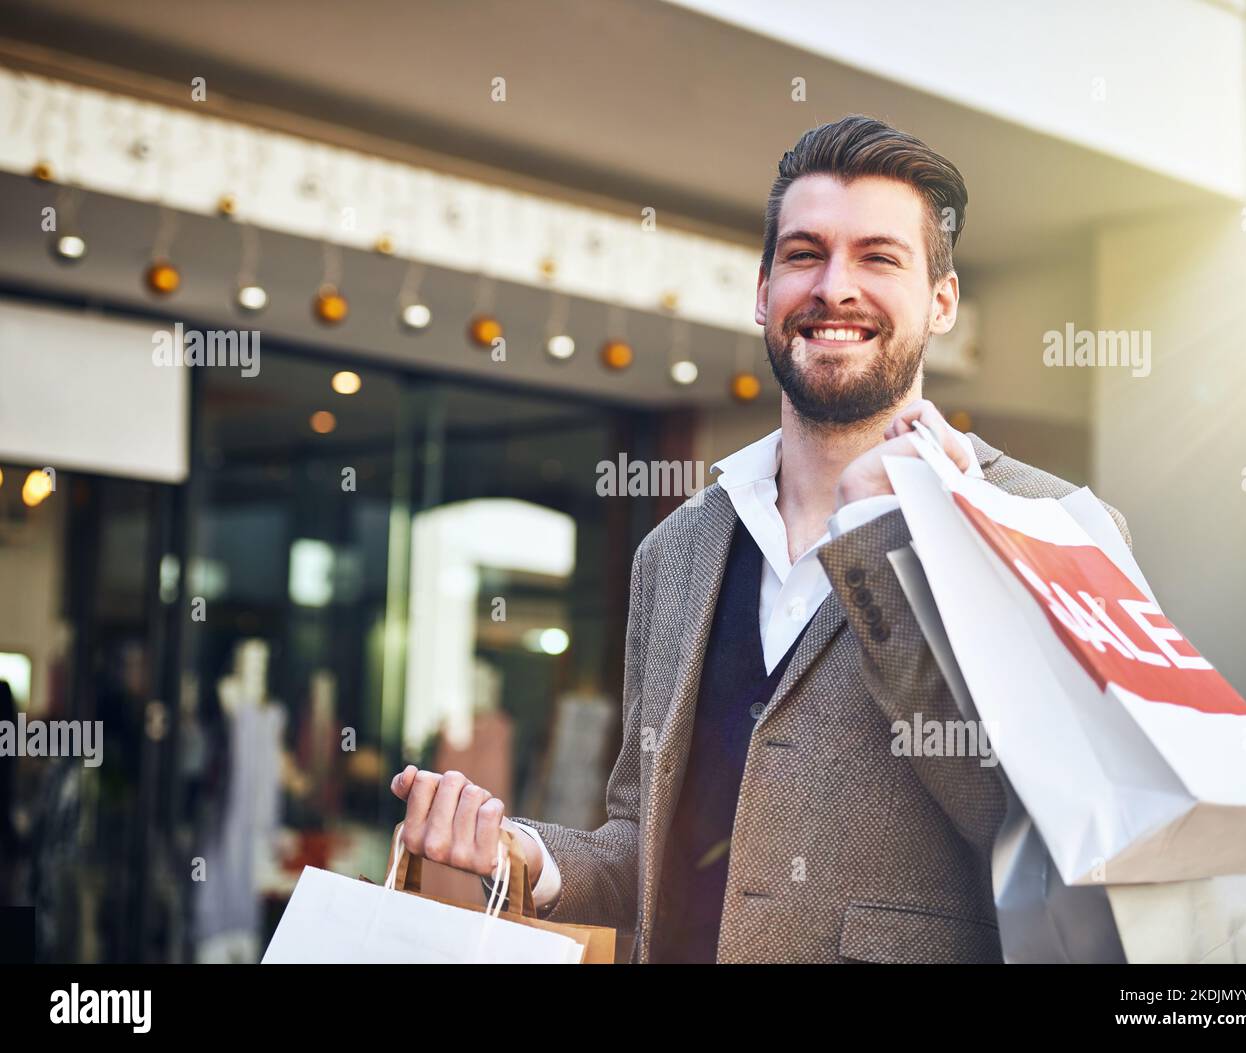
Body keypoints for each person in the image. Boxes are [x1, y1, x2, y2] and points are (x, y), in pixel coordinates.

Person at [390, 115, 1130, 963]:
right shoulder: (674, 555)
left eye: (878, 257)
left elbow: (1062, 838)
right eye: (805, 254)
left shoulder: (1047, 524)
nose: (834, 288)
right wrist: (524, 854)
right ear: (763, 289)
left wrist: (886, 538)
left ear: (942, 301)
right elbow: (648, 842)